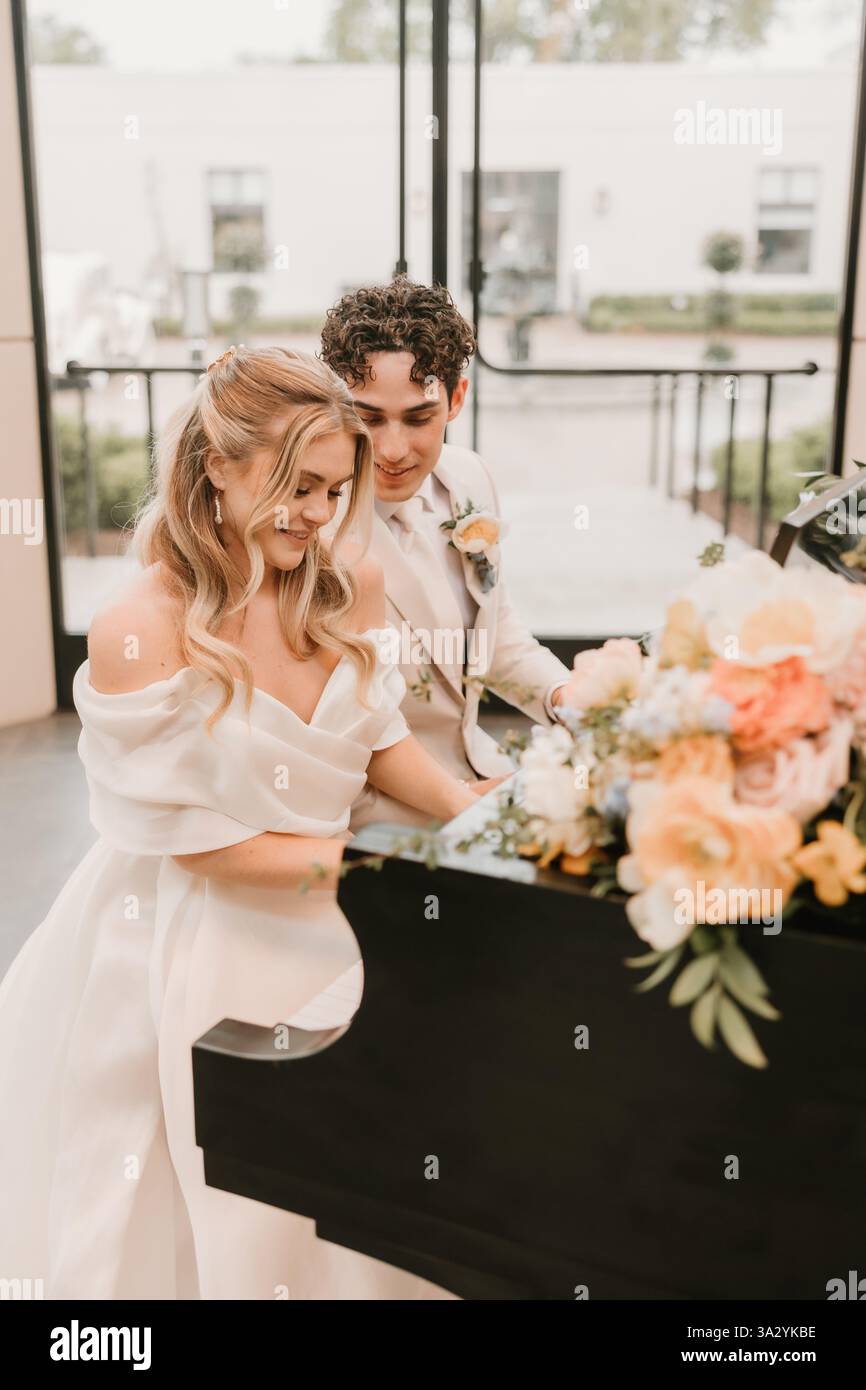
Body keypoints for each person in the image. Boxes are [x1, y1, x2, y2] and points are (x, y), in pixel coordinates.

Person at [0, 346, 476, 1300]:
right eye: (296, 486)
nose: (316, 515)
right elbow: (210, 848)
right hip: (200, 940)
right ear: (217, 466)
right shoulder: (144, 625)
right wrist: (390, 874)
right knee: (237, 1210)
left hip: (345, 911)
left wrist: (490, 823)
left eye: (335, 492)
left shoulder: (351, 586)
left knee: (378, 1174)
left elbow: (379, 742)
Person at [320, 277, 581, 832]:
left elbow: (495, 632)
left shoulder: (469, 478)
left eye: (418, 418)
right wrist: (471, 802)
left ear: (456, 398)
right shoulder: (311, 530)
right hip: (375, 819)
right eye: (368, 418)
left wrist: (567, 699)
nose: (392, 450)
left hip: (485, 768)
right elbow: (329, 735)